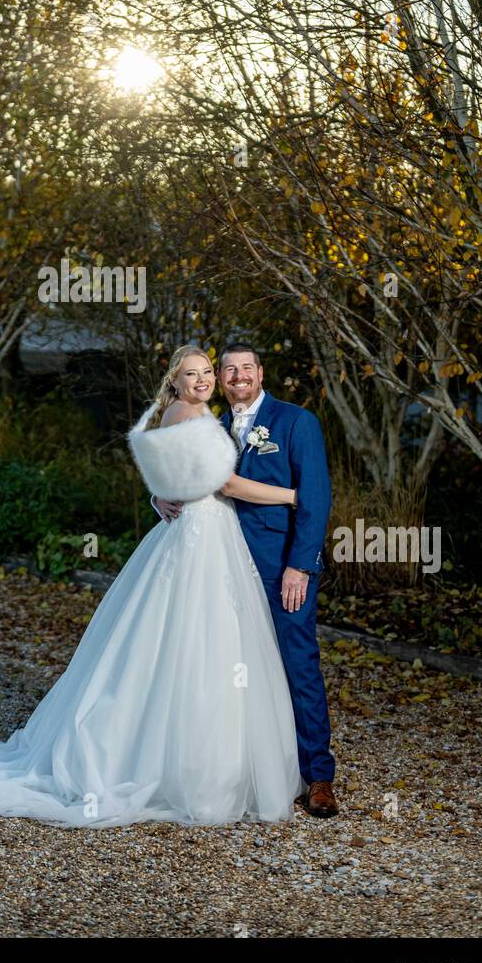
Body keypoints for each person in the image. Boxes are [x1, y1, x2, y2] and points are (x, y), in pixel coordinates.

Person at [0, 345, 305, 826]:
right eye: (192, 374)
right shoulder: (188, 416)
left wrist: (160, 496)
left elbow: (168, 475)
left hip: (204, 533)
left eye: (205, 373)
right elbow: (227, 485)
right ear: (173, 380)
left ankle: (196, 759)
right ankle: (183, 768)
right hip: (202, 534)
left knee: (192, 642)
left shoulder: (189, 415)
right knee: (195, 640)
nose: (202, 381)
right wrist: (292, 496)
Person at [153, 343, 338, 818]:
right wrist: (158, 497)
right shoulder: (208, 423)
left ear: (260, 373)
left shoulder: (297, 422)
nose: (235, 376)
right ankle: (252, 771)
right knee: (231, 670)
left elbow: (314, 498)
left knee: (297, 663)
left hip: (281, 568)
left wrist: (301, 565)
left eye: (244, 368)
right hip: (220, 567)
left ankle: (318, 776)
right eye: (227, 369)